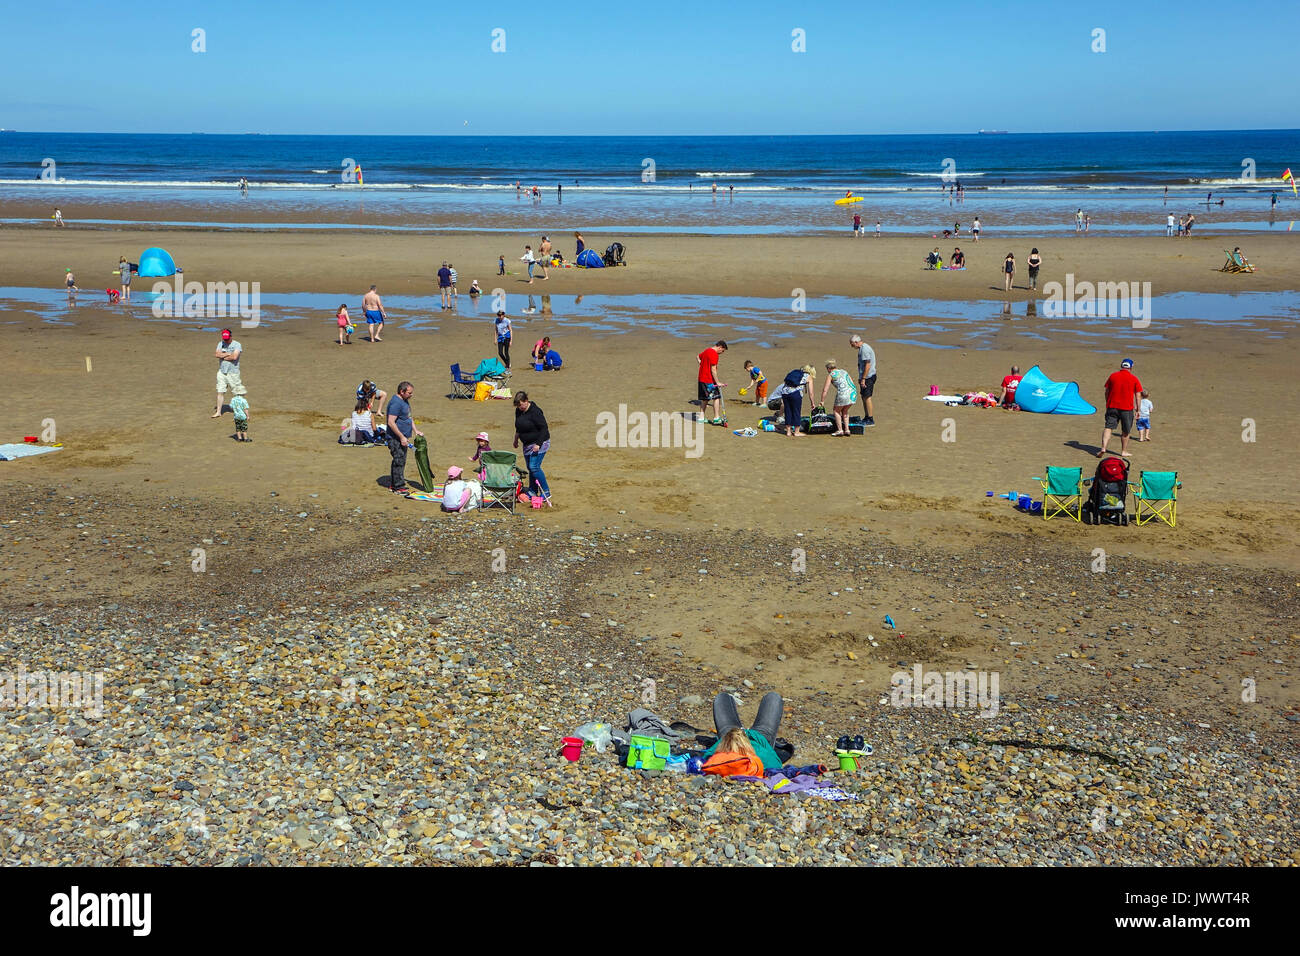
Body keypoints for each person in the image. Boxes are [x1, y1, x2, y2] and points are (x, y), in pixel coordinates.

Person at [700, 691, 785, 773]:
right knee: (773, 697)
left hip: (732, 736)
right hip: (748, 736)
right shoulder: (762, 755)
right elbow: (777, 764)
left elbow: (707, 757)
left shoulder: (719, 754)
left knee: (773, 698)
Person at [513, 391, 552, 505]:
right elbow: (518, 426)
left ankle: (546, 492)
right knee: (530, 468)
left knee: (534, 466)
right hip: (527, 444)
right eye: (517, 406)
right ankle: (533, 491)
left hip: (540, 442)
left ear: (526, 401)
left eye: (521, 405)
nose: (519, 408)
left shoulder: (535, 411)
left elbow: (544, 428)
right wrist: (516, 439)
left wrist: (538, 444)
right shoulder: (518, 411)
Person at [1099, 358, 1143, 459]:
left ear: (1121, 366)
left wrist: (1108, 403)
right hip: (1126, 408)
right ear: (1131, 367)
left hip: (1112, 406)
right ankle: (1123, 451)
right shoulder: (1134, 378)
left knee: (1108, 427)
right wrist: (1138, 410)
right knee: (1126, 431)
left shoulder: (1113, 376)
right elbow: (1138, 395)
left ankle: (1103, 447)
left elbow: (1107, 391)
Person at [386, 381, 422, 494]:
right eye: (409, 393)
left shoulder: (405, 401)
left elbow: (409, 418)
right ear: (402, 392)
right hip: (395, 438)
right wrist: (401, 437)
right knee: (399, 461)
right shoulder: (396, 403)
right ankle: (398, 487)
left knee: (402, 460)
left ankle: (396, 484)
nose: (411, 395)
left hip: (403, 437)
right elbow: (391, 422)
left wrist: (416, 430)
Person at [819, 359, 859, 436]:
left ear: (828, 368)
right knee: (845, 411)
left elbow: (825, 390)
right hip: (852, 393)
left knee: (836, 411)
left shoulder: (831, 375)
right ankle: (847, 430)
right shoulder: (844, 371)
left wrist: (822, 401)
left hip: (843, 394)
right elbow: (851, 382)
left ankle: (840, 430)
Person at [774, 365, 815, 437]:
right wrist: (812, 403)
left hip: (784, 392)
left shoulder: (796, 373)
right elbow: (811, 393)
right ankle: (796, 432)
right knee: (796, 412)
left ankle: (788, 432)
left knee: (788, 411)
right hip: (795, 394)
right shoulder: (809, 377)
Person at [212, 329, 245, 418]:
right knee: (220, 391)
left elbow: (234, 357)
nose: (226, 340)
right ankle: (218, 412)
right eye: (224, 339)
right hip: (222, 372)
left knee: (237, 393)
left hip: (233, 373)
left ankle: (239, 412)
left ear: (231, 336)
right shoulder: (220, 343)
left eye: (227, 339)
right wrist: (228, 354)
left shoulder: (237, 344)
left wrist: (224, 355)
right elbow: (217, 354)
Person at [696, 340, 728, 425]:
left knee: (704, 399)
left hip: (701, 379)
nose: (722, 353)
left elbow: (698, 357)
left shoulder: (707, 350)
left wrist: (702, 365)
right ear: (720, 347)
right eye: (723, 350)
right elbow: (713, 370)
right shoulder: (714, 354)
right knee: (716, 397)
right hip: (709, 380)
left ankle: (701, 418)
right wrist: (717, 382)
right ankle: (716, 418)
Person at [850, 334, 876, 426]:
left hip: (868, 377)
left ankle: (870, 419)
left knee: (867, 397)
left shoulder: (865, 349)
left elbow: (867, 365)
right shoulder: (862, 348)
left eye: (852, 344)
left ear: (856, 342)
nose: (851, 346)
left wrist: (863, 379)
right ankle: (866, 416)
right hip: (865, 377)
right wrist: (861, 378)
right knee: (863, 397)